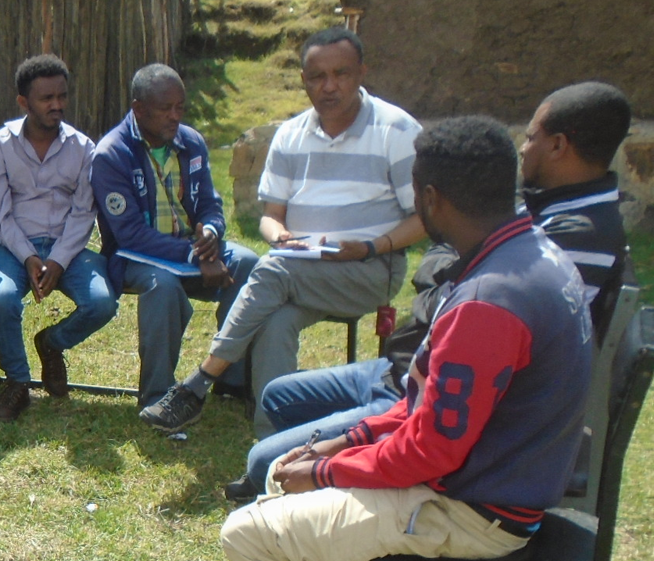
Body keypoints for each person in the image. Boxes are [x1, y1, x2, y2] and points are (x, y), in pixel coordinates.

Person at [225, 116, 593, 561]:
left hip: (476, 512)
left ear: (429, 199)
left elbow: (429, 450)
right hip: (495, 483)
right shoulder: (532, 256)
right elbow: (422, 406)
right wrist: (336, 446)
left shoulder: (487, 301)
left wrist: (321, 469)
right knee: (296, 496)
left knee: (247, 535)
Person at [227, 81, 634, 506]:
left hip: (432, 397)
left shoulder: (575, 238)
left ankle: (302, 493)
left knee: (262, 464)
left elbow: (463, 343)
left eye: (531, 136)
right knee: (278, 395)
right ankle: (305, 480)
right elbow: (436, 266)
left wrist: (341, 456)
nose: (524, 147)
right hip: (407, 371)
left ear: (558, 146)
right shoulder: (542, 212)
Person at [142, 27, 425, 436]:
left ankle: (198, 383)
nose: (329, 86)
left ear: (362, 72)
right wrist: (279, 237)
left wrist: (368, 247)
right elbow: (270, 216)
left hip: (370, 269)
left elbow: (424, 218)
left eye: (341, 74)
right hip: (304, 268)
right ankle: (271, 439)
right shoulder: (291, 135)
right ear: (303, 80)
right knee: (276, 321)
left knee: (274, 272)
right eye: (317, 77)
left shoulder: (397, 131)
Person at [91, 63, 260, 417]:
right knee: (163, 285)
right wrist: (195, 256)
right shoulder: (112, 154)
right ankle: (156, 394)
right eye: (164, 108)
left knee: (247, 264)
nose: (174, 116)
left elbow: (211, 204)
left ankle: (233, 380)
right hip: (136, 256)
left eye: (179, 107)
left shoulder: (191, 142)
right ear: (138, 109)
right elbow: (130, 234)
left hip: (193, 249)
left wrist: (211, 234)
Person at [0, 54, 115, 421]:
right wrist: (28, 257)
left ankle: (51, 344)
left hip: (67, 250)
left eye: (62, 96)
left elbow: (84, 211)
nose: (56, 105)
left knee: (102, 302)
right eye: (46, 98)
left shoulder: (84, 148)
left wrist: (58, 260)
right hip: (13, 247)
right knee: (4, 297)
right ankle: (18, 383)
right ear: (23, 102)